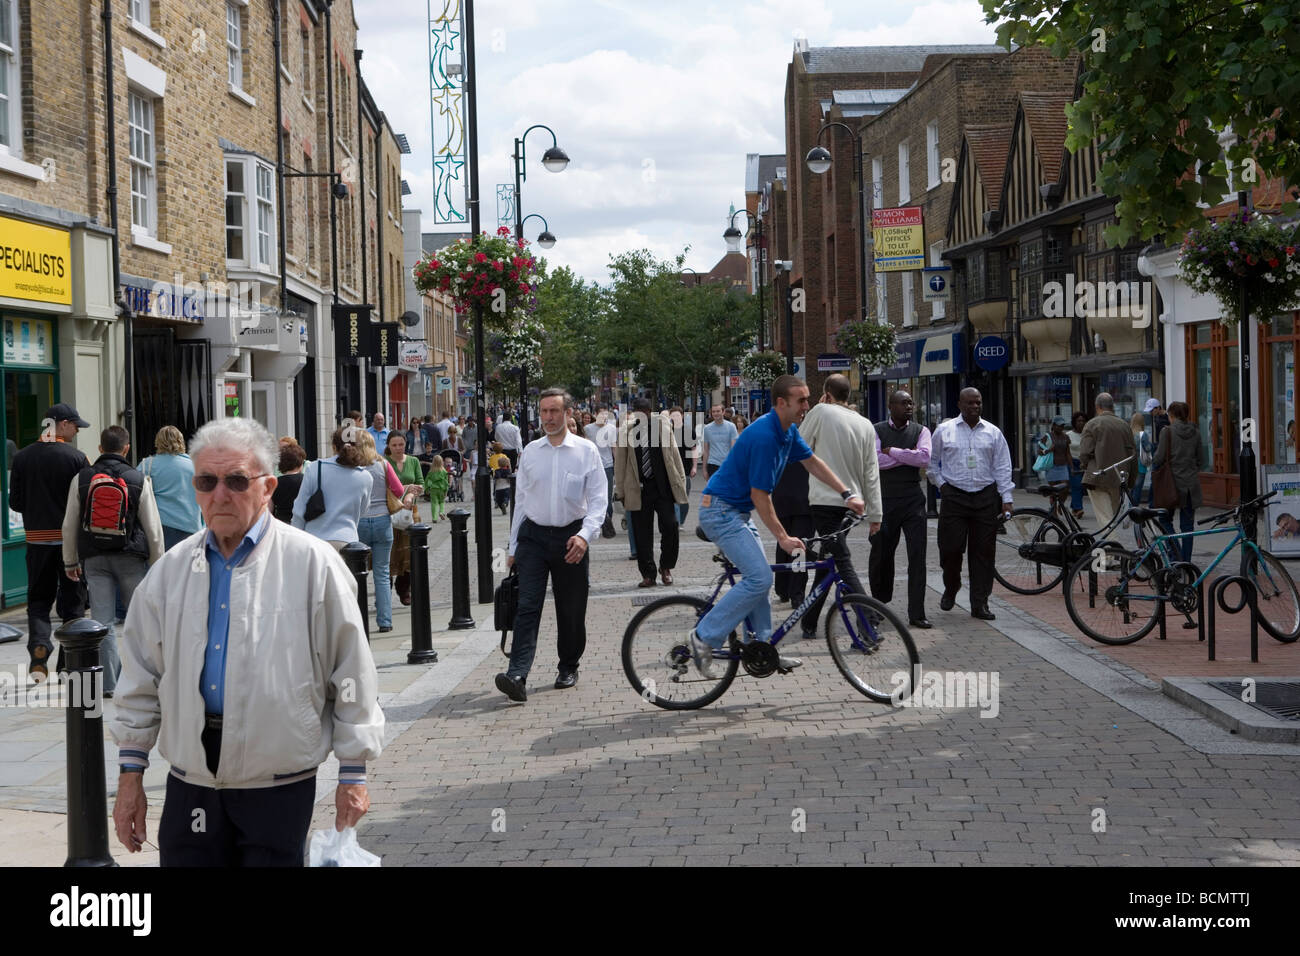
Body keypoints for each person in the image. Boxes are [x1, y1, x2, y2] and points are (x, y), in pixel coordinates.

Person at [109, 416, 384, 866]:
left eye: (236, 480)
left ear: (268, 487)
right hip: (191, 779)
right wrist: (130, 777)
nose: (220, 494)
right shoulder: (170, 571)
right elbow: (140, 678)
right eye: (206, 480)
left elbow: (351, 670)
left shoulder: (313, 563)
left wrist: (353, 772)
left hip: (277, 782)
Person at [689, 376, 866, 676]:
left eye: (808, 399)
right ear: (781, 403)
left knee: (759, 578)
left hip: (737, 512)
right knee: (759, 578)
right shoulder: (764, 436)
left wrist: (846, 493)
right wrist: (782, 537)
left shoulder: (788, 431)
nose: (807, 406)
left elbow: (812, 462)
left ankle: (763, 648)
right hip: (720, 510)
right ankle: (703, 636)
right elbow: (761, 495)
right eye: (801, 401)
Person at [495, 388, 607, 701]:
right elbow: (521, 500)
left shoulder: (586, 452)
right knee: (528, 605)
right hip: (533, 537)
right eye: (544, 411)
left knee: (570, 608)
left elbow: (599, 501)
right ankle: (517, 673)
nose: (548, 417)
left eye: (554, 411)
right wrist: (514, 547)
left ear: (568, 414)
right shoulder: (531, 451)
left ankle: (568, 665)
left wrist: (585, 536)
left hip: (571, 537)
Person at [61, 425, 165, 695]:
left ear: (99, 448)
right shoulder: (138, 478)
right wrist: (158, 563)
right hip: (130, 556)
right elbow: (153, 528)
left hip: (94, 558)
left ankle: (108, 682)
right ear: (126, 448)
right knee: (139, 619)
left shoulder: (82, 478)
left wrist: (70, 561)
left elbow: (70, 523)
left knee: (102, 621)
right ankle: (139, 679)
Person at [8, 403, 91, 681]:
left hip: (36, 541)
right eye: (75, 425)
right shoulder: (76, 458)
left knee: (38, 600)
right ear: (61, 424)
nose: (77, 429)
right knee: (73, 602)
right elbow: (86, 501)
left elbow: (15, 502)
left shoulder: (21, 458)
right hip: (69, 544)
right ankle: (69, 661)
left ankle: (39, 646)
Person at [797, 374, 883, 633]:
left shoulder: (821, 411)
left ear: (827, 394)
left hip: (824, 501)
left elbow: (799, 442)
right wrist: (875, 514)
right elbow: (872, 472)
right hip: (852, 504)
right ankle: (809, 621)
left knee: (841, 561)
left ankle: (869, 616)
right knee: (829, 560)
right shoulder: (866, 424)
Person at [928, 388, 1013, 621]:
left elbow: (1003, 466)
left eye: (978, 402)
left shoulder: (993, 433)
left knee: (984, 554)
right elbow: (931, 463)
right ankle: (951, 586)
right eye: (970, 403)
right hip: (954, 496)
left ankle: (980, 603)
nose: (975, 406)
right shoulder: (944, 431)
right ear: (959, 404)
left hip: (985, 497)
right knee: (950, 549)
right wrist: (942, 485)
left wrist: (1006, 498)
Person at [866, 388, 929, 628]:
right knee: (881, 554)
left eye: (911, 403)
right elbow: (875, 461)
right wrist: (908, 456)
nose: (909, 407)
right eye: (903, 403)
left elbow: (923, 459)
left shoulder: (921, 431)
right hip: (886, 499)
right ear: (891, 406)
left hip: (913, 499)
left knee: (917, 556)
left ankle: (917, 612)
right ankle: (879, 606)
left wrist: (892, 451)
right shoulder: (876, 429)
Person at [615, 397, 686, 588]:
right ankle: (648, 574)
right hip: (639, 490)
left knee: (671, 527)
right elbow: (620, 463)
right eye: (638, 412)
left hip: (662, 487)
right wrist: (620, 490)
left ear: (650, 412)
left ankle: (666, 567)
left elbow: (674, 454)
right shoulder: (626, 431)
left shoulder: (662, 427)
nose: (642, 415)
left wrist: (681, 479)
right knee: (641, 534)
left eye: (645, 412)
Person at [355, 431, 412, 634]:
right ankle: (385, 621)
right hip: (382, 522)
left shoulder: (352, 467)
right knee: (382, 573)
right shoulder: (383, 464)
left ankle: (359, 621)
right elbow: (398, 491)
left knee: (357, 574)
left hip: (359, 523)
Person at [291, 425, 372, 550]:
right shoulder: (365, 476)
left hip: (315, 540)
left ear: (334, 447)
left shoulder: (315, 468)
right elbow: (363, 511)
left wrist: (296, 539)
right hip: (348, 542)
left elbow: (299, 509)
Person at [1151, 401, 1203, 563]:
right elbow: (1201, 459)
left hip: (1171, 485)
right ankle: (1186, 562)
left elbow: (1159, 458)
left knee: (1165, 520)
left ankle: (1176, 553)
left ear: (1171, 415)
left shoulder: (1167, 432)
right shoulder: (1195, 432)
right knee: (1187, 527)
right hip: (1190, 486)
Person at [137, 425, 203, 551]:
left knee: (160, 568)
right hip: (191, 526)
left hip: (159, 527)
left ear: (158, 442)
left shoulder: (147, 465)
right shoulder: (196, 466)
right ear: (181, 441)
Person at [1079, 392, 1136, 527]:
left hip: (1098, 476)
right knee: (1113, 515)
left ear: (1097, 406)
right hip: (1119, 477)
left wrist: (1084, 466)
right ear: (1112, 407)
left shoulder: (1092, 424)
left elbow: (1084, 452)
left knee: (1104, 516)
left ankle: (1111, 545)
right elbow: (1133, 455)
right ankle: (1112, 543)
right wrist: (1131, 480)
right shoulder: (1124, 425)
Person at [385, 431, 425, 605]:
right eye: (394, 445)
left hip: (410, 511)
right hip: (390, 512)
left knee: (409, 551)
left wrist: (412, 494)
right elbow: (384, 488)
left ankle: (404, 589)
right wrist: (406, 489)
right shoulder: (384, 463)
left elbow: (421, 484)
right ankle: (385, 589)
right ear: (388, 446)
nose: (398, 448)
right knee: (390, 552)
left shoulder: (414, 461)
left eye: (400, 444)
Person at [585, 410, 618, 537]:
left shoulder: (611, 428)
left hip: (608, 466)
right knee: (593, 497)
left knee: (608, 499)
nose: (604, 417)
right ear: (596, 414)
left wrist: (617, 465)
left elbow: (614, 448)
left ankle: (607, 524)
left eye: (606, 414)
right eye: (601, 414)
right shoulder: (588, 428)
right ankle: (598, 523)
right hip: (592, 467)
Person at [668, 406, 697, 527]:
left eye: (677, 415)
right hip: (671, 470)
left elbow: (693, 449)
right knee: (673, 498)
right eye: (673, 415)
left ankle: (681, 521)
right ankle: (676, 521)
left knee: (684, 498)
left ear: (682, 416)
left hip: (685, 469)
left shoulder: (689, 431)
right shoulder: (668, 431)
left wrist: (694, 466)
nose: (675, 418)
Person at [700, 403, 739, 479]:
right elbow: (706, 450)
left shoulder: (731, 426)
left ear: (723, 412)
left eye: (718, 411)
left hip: (727, 464)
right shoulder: (707, 428)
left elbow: (733, 449)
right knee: (714, 490)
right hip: (712, 464)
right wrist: (704, 469)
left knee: (727, 490)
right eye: (713, 412)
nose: (715, 413)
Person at [270, 441, 306, 523]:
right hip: (301, 523)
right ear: (300, 463)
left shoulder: (275, 482)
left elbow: (270, 509)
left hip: (281, 522)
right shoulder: (305, 480)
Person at [1128, 411, 1155, 506]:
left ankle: (1129, 507)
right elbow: (1147, 448)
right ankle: (1135, 507)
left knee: (1131, 488)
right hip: (1140, 464)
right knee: (1138, 488)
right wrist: (1151, 445)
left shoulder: (1128, 433)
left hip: (1130, 464)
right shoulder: (1143, 435)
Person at [1037, 416, 1071, 484]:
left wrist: (1072, 467)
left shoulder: (1065, 437)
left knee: (1064, 487)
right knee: (1053, 490)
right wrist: (1049, 450)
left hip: (1063, 466)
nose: (1061, 427)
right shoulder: (1047, 437)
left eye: (1062, 426)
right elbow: (1039, 452)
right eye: (1059, 425)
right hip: (1051, 467)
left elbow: (1068, 453)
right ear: (1053, 425)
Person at [1066, 411, 1088, 519]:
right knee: (1077, 485)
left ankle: (1074, 507)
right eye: (1079, 421)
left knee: (1081, 486)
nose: (1081, 423)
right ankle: (1079, 508)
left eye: (1083, 421)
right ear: (1074, 422)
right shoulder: (1069, 435)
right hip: (1072, 462)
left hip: (1084, 463)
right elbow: (1066, 451)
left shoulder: (1087, 435)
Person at [488, 443, 512, 514]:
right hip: (505, 481)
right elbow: (508, 463)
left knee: (496, 491)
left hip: (497, 476)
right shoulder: (504, 456)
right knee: (506, 495)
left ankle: (496, 502)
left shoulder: (492, 457)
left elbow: (490, 465)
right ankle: (505, 502)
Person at [425, 455, 450, 521]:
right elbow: (446, 482)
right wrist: (446, 490)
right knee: (442, 502)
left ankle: (434, 518)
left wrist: (426, 489)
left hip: (433, 489)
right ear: (442, 462)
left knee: (434, 503)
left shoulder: (431, 471)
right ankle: (441, 512)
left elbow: (427, 480)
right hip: (441, 489)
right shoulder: (444, 471)